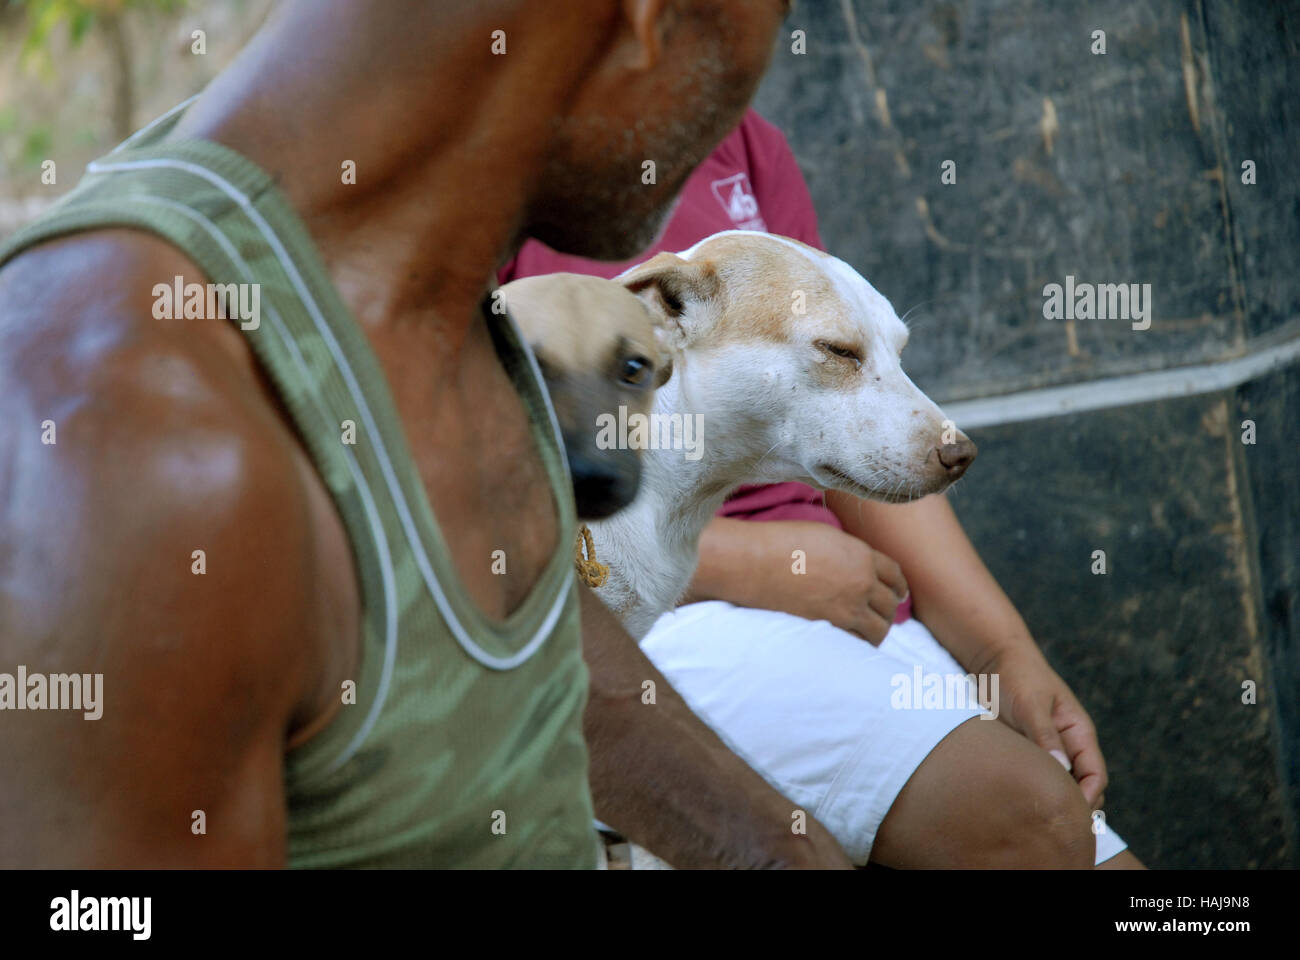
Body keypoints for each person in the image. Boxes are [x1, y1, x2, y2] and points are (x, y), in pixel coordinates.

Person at [0, 0, 855, 869]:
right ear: (649, 17)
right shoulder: (143, 428)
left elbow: (539, 665)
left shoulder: (443, 278)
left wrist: (775, 851)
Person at [503, 108, 1144, 868]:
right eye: (840, 353)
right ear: (660, 309)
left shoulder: (744, 139)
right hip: (677, 620)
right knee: (1032, 820)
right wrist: (762, 566)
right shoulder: (476, 145)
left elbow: (881, 451)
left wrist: (1002, 649)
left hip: (856, 602)